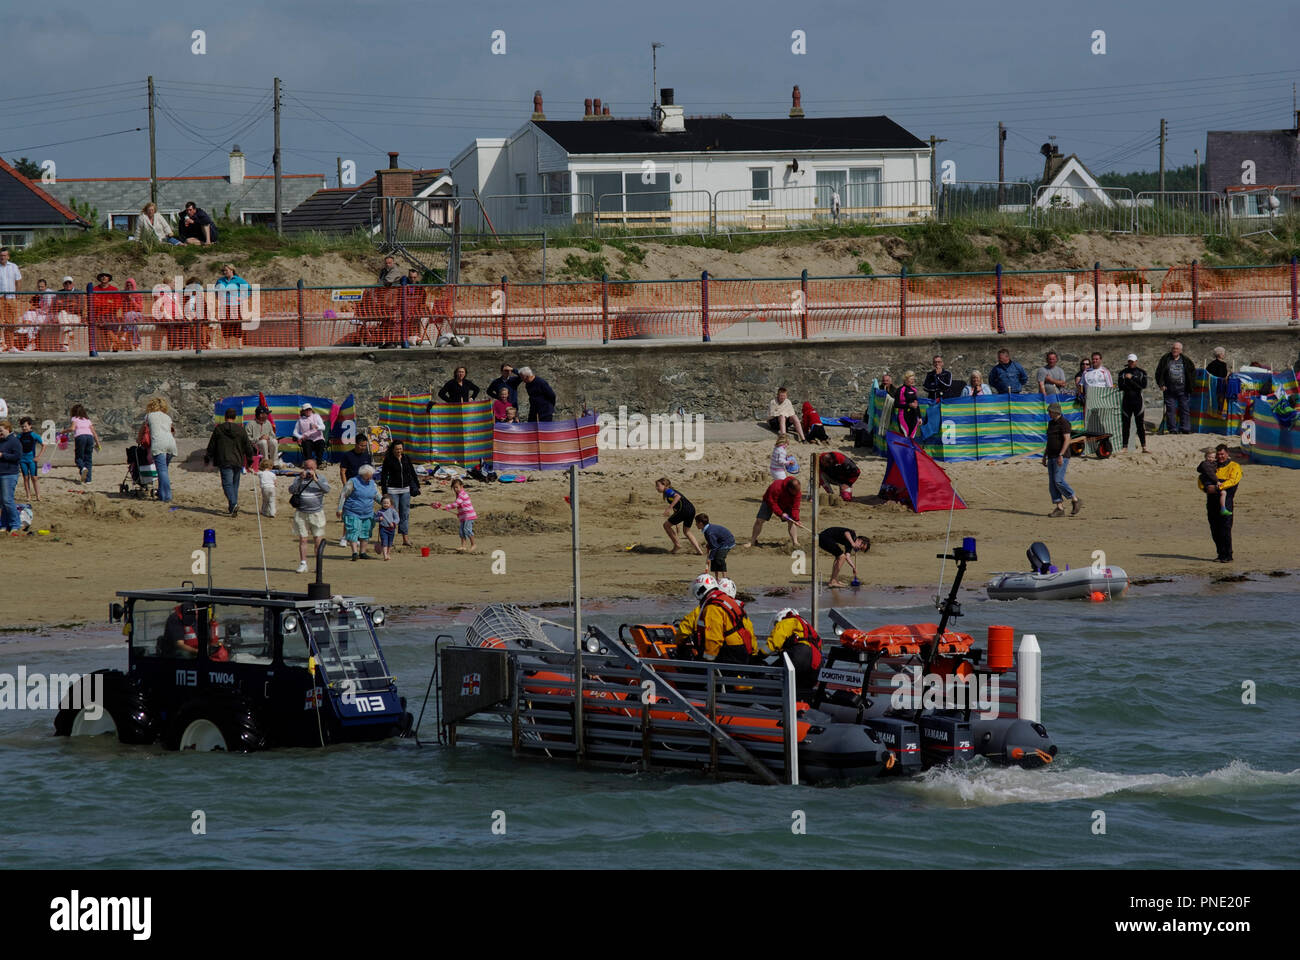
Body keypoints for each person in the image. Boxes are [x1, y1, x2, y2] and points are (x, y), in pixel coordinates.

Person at [677, 574, 756, 664]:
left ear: (700, 591)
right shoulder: (726, 600)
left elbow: (714, 638)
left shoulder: (712, 607)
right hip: (741, 650)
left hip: (730, 654)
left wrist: (706, 661)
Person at [205, 407, 255, 516]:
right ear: (235, 417)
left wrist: (208, 457)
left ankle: (233, 504)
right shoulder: (241, 430)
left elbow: (212, 445)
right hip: (237, 459)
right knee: (234, 485)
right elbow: (248, 446)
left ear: (225, 417)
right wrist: (250, 460)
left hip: (224, 459)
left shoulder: (219, 429)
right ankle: (232, 507)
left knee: (227, 484)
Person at [761, 608, 823, 689]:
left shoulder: (787, 621)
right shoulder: (804, 628)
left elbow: (773, 642)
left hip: (799, 654)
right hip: (817, 662)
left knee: (770, 675)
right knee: (801, 690)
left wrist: (759, 655)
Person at [1199, 443, 1241, 563]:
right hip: (1211, 501)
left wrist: (1219, 487)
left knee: (1225, 529)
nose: (1220, 457)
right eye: (1218, 455)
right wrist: (1206, 489)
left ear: (1227, 454)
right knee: (1214, 529)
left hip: (1226, 502)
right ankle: (1220, 554)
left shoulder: (1234, 466)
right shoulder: (1211, 465)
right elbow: (1201, 479)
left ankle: (1228, 555)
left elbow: (1234, 480)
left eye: (1222, 454)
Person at [290, 459, 331, 573]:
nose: (309, 470)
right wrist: (300, 480)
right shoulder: (299, 478)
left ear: (315, 467)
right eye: (307, 468)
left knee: (318, 539)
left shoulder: (321, 478)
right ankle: (303, 563)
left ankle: (318, 564)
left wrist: (316, 480)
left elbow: (327, 490)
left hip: (316, 513)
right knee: (303, 539)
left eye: (311, 468)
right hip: (301, 513)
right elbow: (291, 490)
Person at [379, 440, 420, 548]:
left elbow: (412, 472)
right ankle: (390, 538)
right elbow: (383, 476)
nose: (399, 451)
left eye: (400, 449)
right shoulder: (388, 460)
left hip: (405, 490)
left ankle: (405, 538)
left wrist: (417, 485)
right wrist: (384, 492)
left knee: (405, 514)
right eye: (397, 449)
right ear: (393, 449)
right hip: (392, 490)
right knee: (391, 514)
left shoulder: (406, 458)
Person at [336, 463, 382, 560]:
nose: (370, 478)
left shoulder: (372, 483)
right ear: (362, 474)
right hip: (352, 511)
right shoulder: (353, 481)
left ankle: (363, 552)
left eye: (371, 476)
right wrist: (340, 509)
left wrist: (386, 504)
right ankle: (354, 553)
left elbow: (377, 496)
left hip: (368, 513)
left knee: (366, 531)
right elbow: (343, 495)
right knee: (353, 530)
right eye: (368, 476)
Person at [1043, 402, 1081, 517]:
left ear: (1055, 412)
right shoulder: (1051, 423)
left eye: (1050, 411)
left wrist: (1061, 454)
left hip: (1061, 456)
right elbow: (1049, 441)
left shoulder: (1064, 423)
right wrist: (1045, 455)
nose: (1048, 413)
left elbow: (1067, 440)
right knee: (1052, 484)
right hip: (1051, 456)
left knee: (1058, 480)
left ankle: (1074, 498)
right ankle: (1059, 507)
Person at [747, 476, 802, 548]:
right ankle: (752, 542)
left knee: (791, 521)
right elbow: (772, 503)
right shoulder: (776, 487)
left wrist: (797, 520)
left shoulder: (797, 492)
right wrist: (781, 513)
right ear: (790, 489)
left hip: (786, 503)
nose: (797, 493)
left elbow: (795, 507)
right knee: (759, 520)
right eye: (795, 491)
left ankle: (795, 542)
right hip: (769, 501)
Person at [141, 397, 178, 503]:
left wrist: (139, 440)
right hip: (171, 444)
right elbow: (171, 431)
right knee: (164, 471)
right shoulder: (167, 417)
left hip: (159, 444)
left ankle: (167, 496)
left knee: (162, 471)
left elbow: (143, 430)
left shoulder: (149, 416)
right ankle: (162, 494)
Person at [655, 477, 704, 555]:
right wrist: (676, 523)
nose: (656, 488)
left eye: (658, 486)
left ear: (664, 485)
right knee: (687, 531)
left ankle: (677, 545)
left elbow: (677, 497)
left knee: (666, 525)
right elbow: (677, 506)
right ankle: (699, 551)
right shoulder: (669, 492)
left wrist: (668, 508)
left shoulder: (668, 491)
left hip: (684, 510)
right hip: (691, 509)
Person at [1155, 341, 1196, 434]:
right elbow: (1159, 372)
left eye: (1177, 349)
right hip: (1169, 390)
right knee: (1170, 410)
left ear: (1181, 350)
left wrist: (1191, 386)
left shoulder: (1186, 360)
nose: (1175, 350)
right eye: (1173, 348)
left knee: (1184, 409)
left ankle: (1185, 428)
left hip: (1183, 390)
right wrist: (1161, 384)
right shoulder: (1165, 359)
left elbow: (1192, 373)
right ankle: (1172, 429)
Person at [433, 477, 477, 552]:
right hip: (463, 516)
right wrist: (459, 514)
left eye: (457, 487)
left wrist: (446, 507)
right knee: (461, 531)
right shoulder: (459, 495)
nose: (455, 489)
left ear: (461, 486)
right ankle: (463, 546)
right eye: (454, 488)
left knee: (467, 530)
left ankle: (473, 544)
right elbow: (460, 506)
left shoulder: (462, 494)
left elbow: (456, 504)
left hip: (469, 516)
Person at [1117, 354, 1149, 453]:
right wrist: (1128, 380)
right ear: (1128, 361)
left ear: (1136, 361)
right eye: (1129, 361)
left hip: (1138, 401)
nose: (1131, 363)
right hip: (1126, 401)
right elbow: (1121, 387)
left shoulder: (1142, 372)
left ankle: (1144, 447)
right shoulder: (1122, 373)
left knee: (1140, 424)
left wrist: (1131, 379)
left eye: (1133, 361)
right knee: (1126, 425)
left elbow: (1142, 386)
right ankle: (1125, 447)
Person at [214, 264, 250, 349]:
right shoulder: (220, 280)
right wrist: (218, 297)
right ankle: (227, 344)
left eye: (227, 270)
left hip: (235, 305)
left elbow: (248, 289)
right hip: (224, 305)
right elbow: (216, 290)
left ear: (232, 270)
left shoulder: (239, 280)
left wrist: (242, 298)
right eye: (224, 271)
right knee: (225, 324)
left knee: (237, 324)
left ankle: (240, 344)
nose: (225, 272)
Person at [68, 403, 100, 484]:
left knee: (78, 457)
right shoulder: (87, 420)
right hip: (90, 437)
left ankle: (82, 468)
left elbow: (72, 428)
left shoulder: (74, 418)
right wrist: (97, 443)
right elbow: (94, 432)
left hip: (80, 437)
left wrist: (63, 432)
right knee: (88, 459)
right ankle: (88, 480)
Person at [694, 513, 735, 577]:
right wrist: (710, 544)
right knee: (714, 559)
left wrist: (709, 558)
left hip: (727, 542)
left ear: (701, 523)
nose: (695, 524)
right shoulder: (707, 529)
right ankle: (717, 578)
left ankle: (725, 577)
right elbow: (713, 541)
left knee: (719, 558)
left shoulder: (709, 532)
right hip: (719, 542)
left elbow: (714, 547)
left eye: (696, 523)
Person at [0, 419, 21, 532]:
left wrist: (3, 455)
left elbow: (17, 456)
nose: (0, 433)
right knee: (2, 502)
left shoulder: (14, 441)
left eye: (1, 431)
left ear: (7, 429)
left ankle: (15, 524)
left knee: (7, 500)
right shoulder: (1, 441)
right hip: (1, 473)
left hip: (9, 474)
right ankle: (4, 524)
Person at [16, 416, 43, 502]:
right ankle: (28, 496)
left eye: (25, 426)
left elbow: (44, 445)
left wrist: (38, 456)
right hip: (22, 460)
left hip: (32, 459)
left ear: (30, 426)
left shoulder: (34, 435)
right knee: (25, 478)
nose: (24, 428)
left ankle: (38, 495)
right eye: (22, 426)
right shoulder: (19, 436)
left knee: (34, 478)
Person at [1197, 450, 1231, 517]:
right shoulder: (1205, 464)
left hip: (1211, 482)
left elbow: (1220, 463)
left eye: (1212, 457)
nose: (1211, 459)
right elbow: (1211, 474)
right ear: (1205, 457)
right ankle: (1223, 509)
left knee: (1214, 495)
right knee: (1223, 492)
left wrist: (1228, 459)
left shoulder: (1213, 463)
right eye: (1209, 457)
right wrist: (1217, 481)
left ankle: (1210, 505)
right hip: (1208, 483)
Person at [0, 248, 21, 353]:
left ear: (8, 256)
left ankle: (11, 346)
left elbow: (18, 282)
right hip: (0, 298)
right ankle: (1, 344)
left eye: (4, 255)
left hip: (11, 298)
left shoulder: (14, 267)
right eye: (1, 255)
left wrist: (17, 295)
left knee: (11, 322)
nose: (2, 257)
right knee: (0, 321)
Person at [377, 495, 399, 560]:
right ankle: (385, 555)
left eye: (387, 503)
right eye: (384, 503)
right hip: (383, 529)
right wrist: (379, 518)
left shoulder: (393, 511)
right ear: (381, 503)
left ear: (390, 503)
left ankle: (388, 553)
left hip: (391, 529)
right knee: (384, 542)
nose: (385, 504)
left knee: (390, 543)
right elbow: (374, 518)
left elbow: (397, 518)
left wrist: (394, 523)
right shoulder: (380, 512)